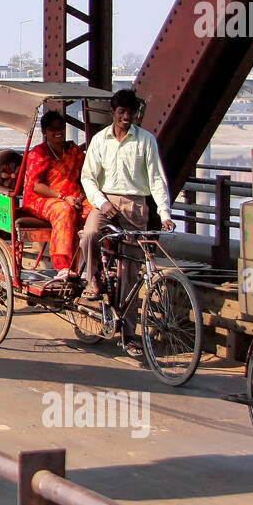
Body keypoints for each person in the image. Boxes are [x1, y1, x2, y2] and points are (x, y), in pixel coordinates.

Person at [79, 89, 176, 354]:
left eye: (130, 113)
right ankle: (93, 279)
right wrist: (103, 202)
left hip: (135, 206)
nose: (126, 117)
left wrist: (165, 214)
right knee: (89, 234)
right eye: (121, 112)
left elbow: (157, 180)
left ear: (135, 114)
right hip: (106, 202)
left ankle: (129, 333)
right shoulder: (100, 141)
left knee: (130, 272)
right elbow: (88, 178)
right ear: (113, 113)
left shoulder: (146, 141)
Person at [22, 111, 93, 277]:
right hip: (41, 199)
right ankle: (63, 266)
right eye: (52, 129)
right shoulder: (38, 153)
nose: (57, 132)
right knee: (64, 210)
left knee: (95, 211)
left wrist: (80, 197)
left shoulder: (74, 152)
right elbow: (36, 185)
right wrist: (63, 197)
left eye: (60, 128)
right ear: (44, 132)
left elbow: (84, 177)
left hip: (74, 197)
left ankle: (91, 264)